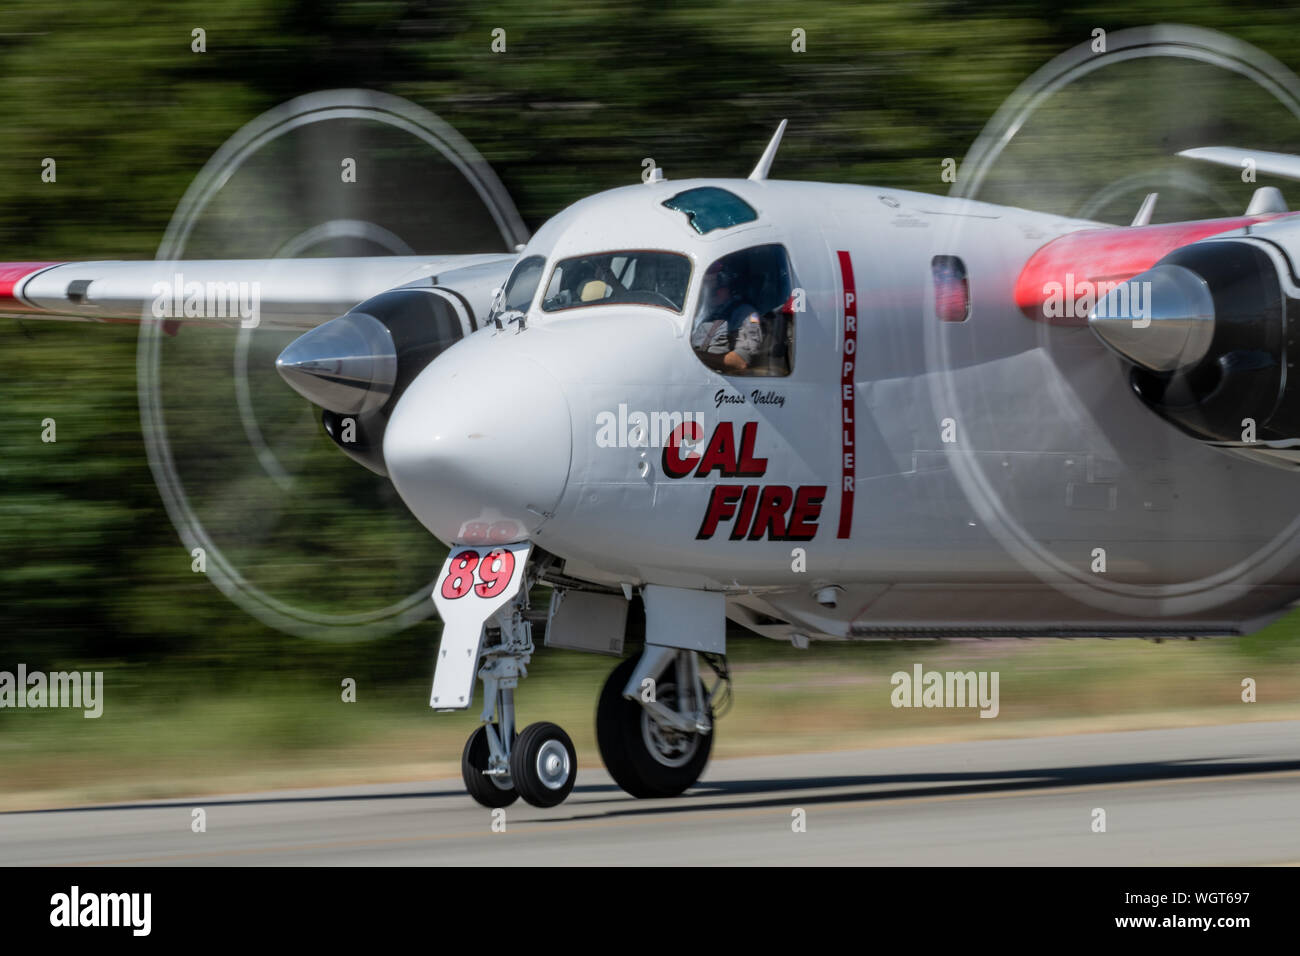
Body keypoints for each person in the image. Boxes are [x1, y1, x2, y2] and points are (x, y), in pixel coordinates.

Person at [691, 262, 763, 372]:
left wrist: (693, 356)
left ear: (725, 287)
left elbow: (741, 362)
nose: (706, 294)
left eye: (712, 289)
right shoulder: (701, 313)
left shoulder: (745, 314)